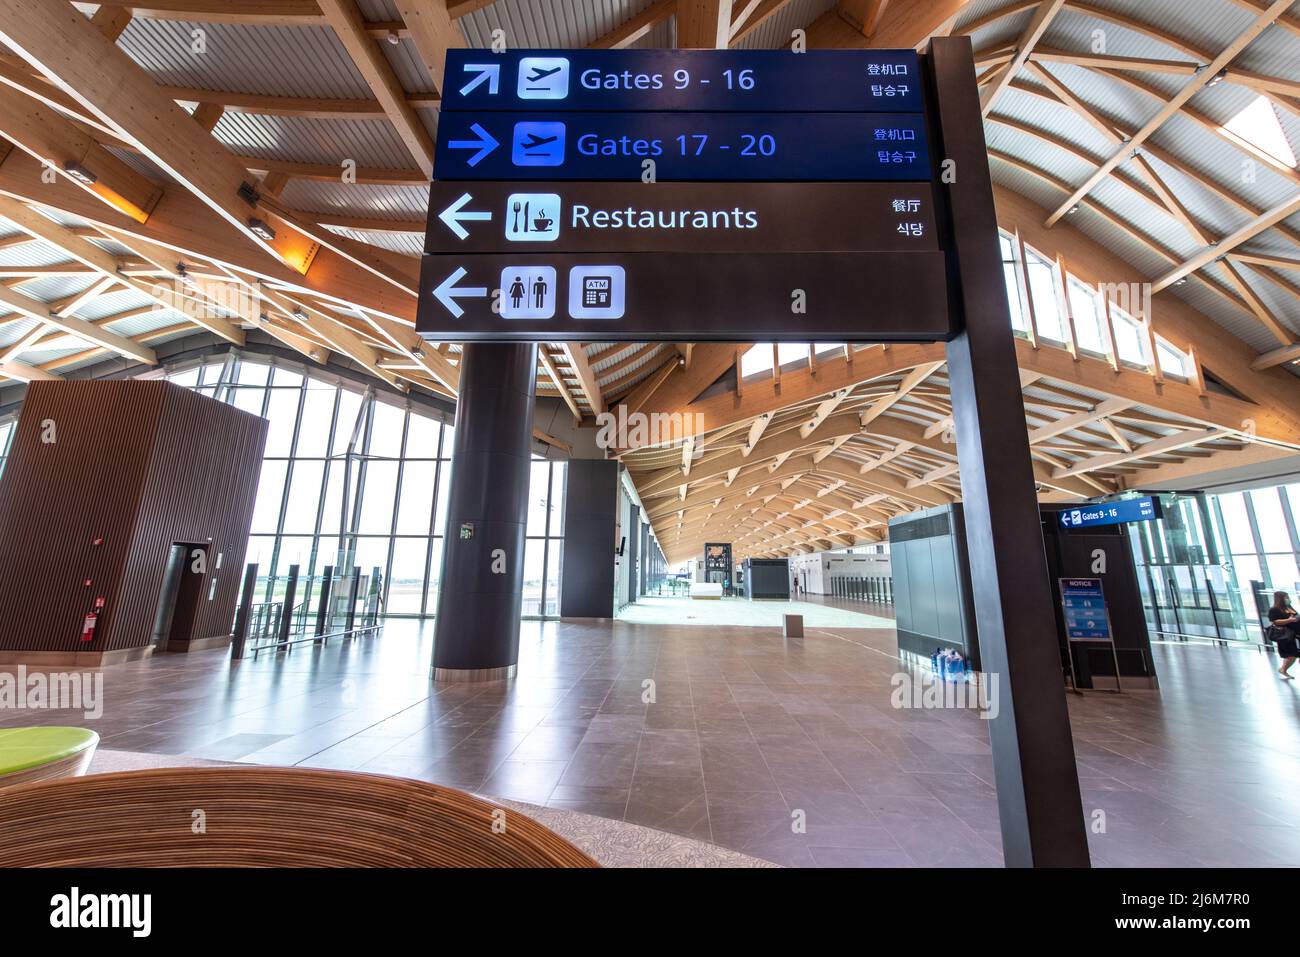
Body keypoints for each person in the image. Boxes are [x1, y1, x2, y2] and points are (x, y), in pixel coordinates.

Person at [1268, 591, 1300, 678]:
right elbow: (1275, 621)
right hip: (1286, 636)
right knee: (1291, 655)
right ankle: (1283, 669)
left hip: (1296, 634)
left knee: (1293, 655)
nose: (1288, 599)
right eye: (1286, 597)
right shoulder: (1274, 610)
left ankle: (1283, 669)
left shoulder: (1288, 607)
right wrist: (1290, 620)